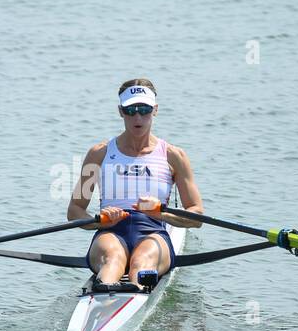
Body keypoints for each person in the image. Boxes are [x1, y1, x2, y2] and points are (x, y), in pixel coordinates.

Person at [67, 79, 204, 288]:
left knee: (141, 263)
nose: (138, 117)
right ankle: (104, 293)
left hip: (154, 231)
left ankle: (133, 288)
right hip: (109, 231)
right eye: (131, 110)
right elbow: (75, 210)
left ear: (155, 110)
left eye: (144, 109)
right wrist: (99, 222)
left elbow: (197, 216)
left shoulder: (174, 156)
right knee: (112, 258)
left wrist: (162, 213)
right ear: (121, 111)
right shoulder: (99, 154)